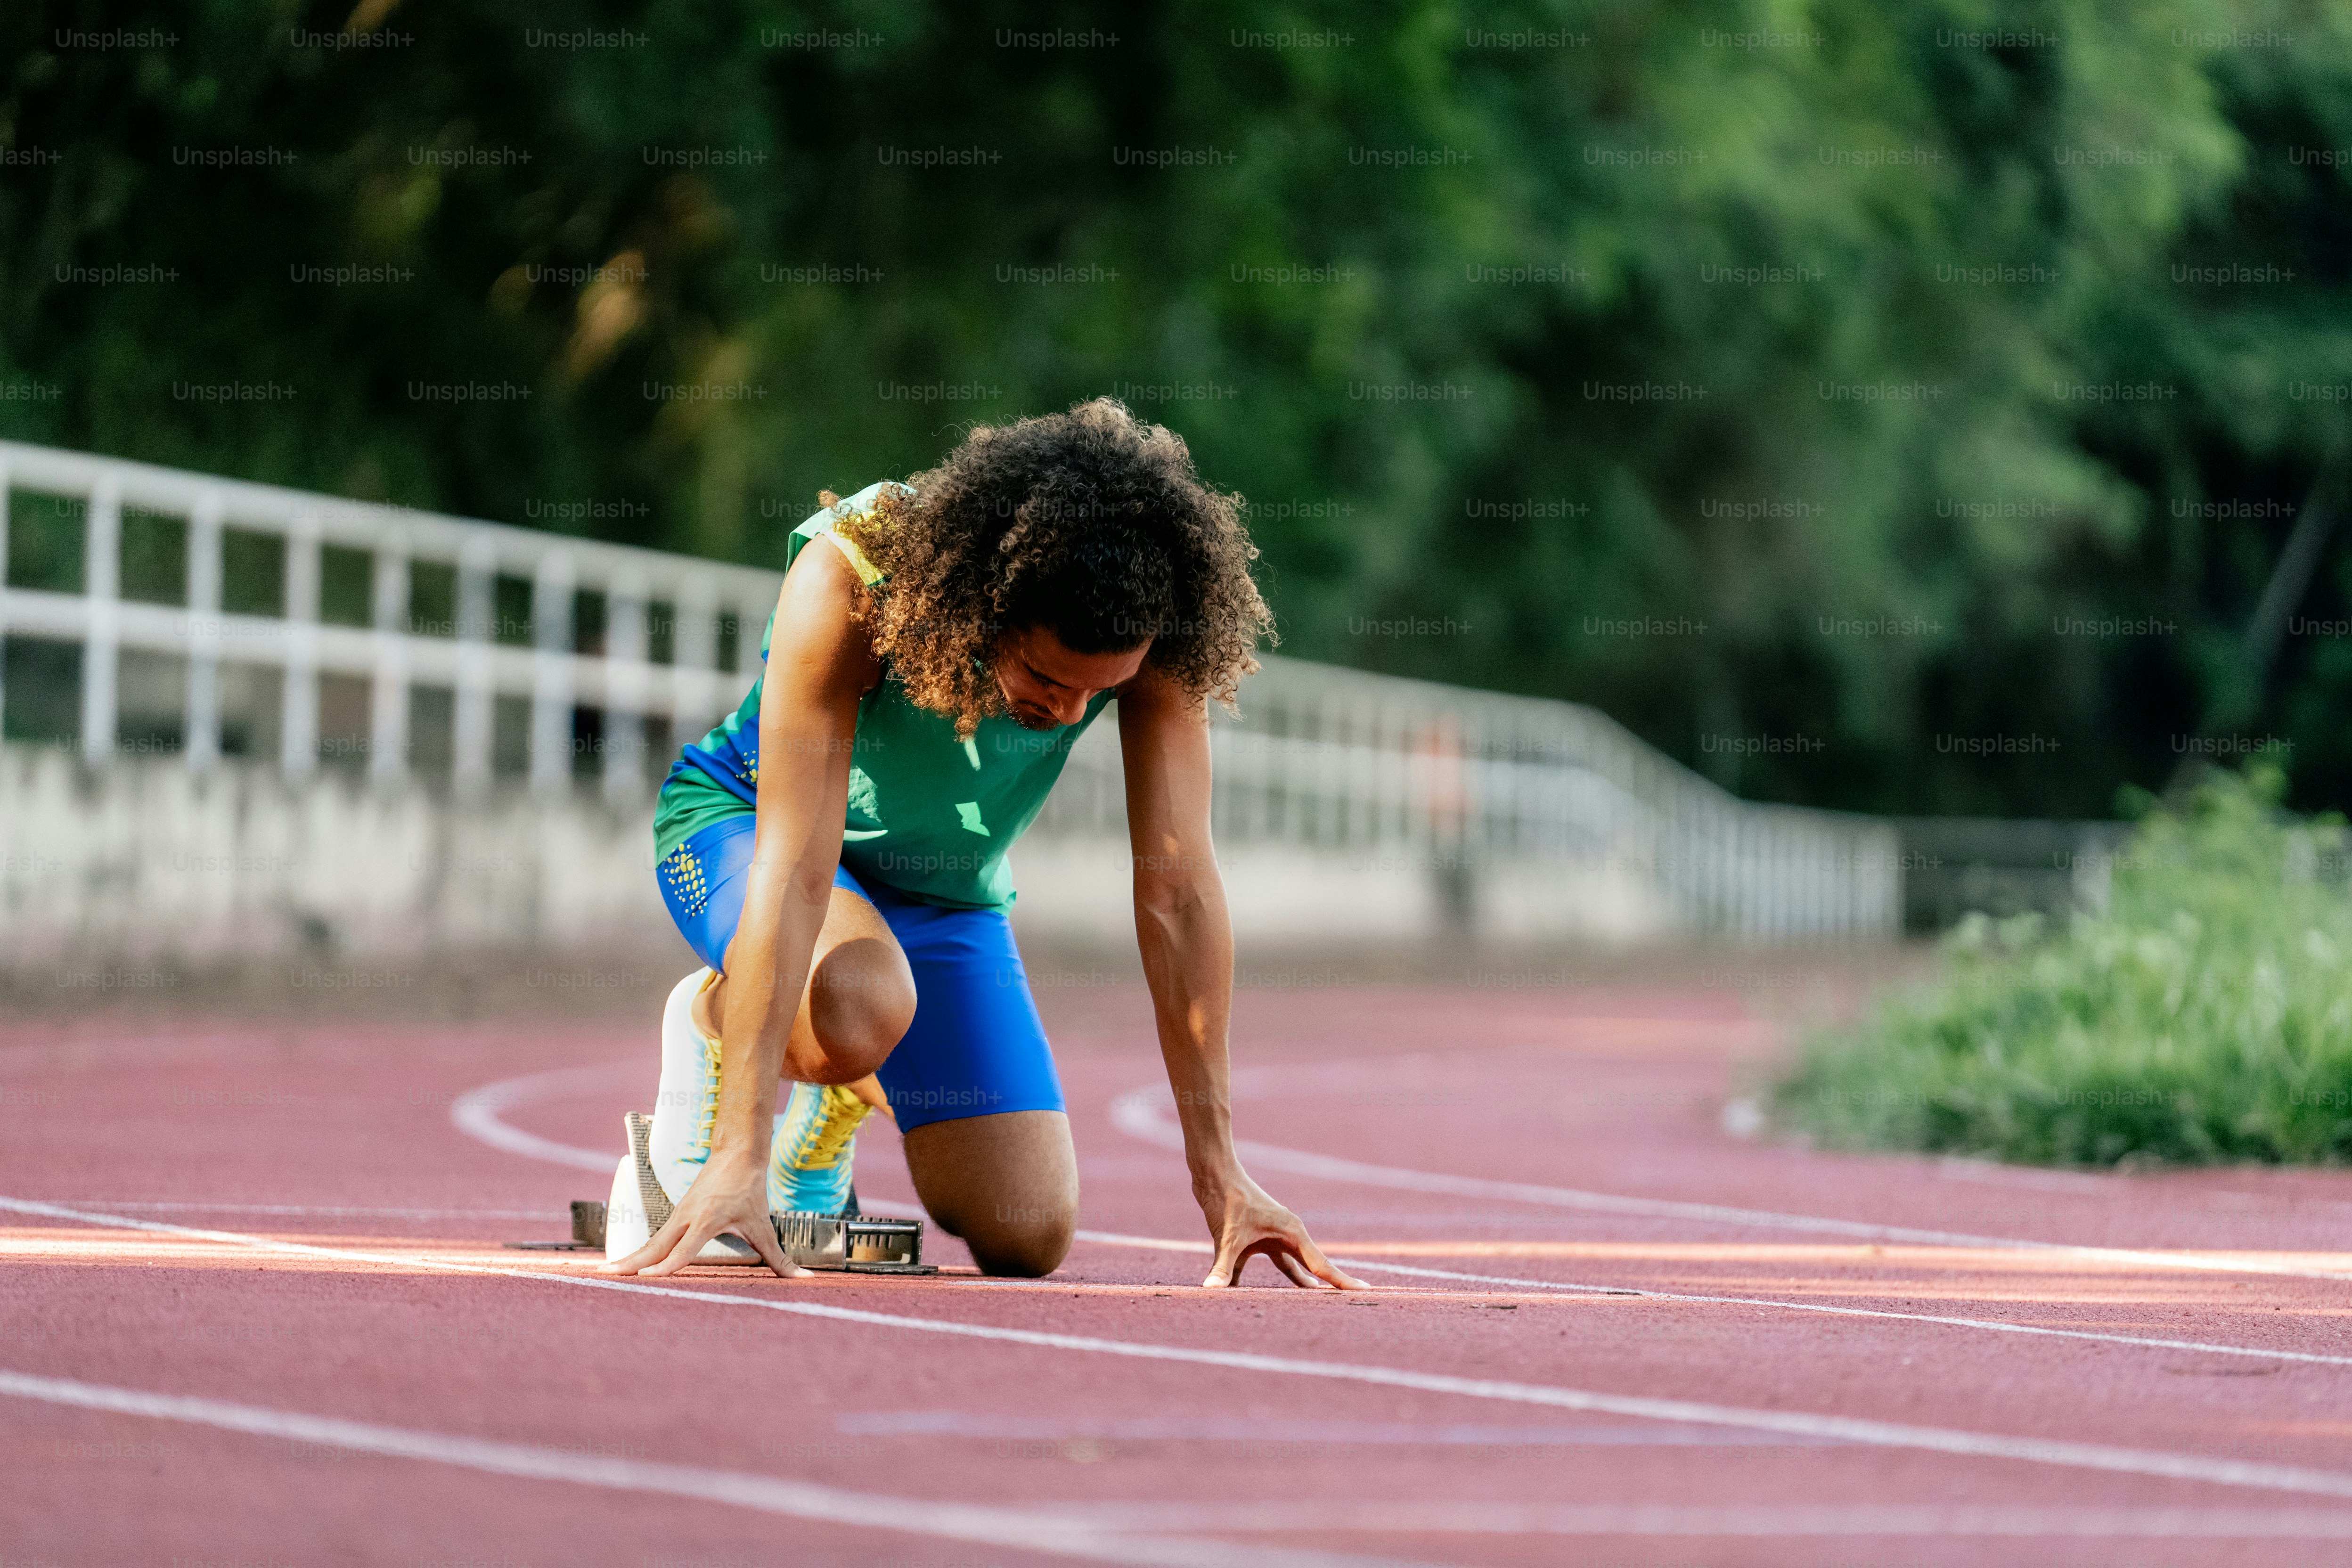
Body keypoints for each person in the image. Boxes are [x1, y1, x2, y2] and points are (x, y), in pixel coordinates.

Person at [601, 397, 1364, 1289]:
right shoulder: (855, 571)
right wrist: (739, 1153)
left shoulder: (1153, 630)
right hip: (744, 830)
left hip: (939, 891)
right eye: (1044, 676)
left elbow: (1180, 890)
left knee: (1028, 1229)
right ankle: (712, 1025)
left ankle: (830, 1113)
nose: (1067, 714)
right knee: (858, 998)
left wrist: (1221, 1174)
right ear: (984, 610)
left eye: (1099, 693)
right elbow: (797, 863)